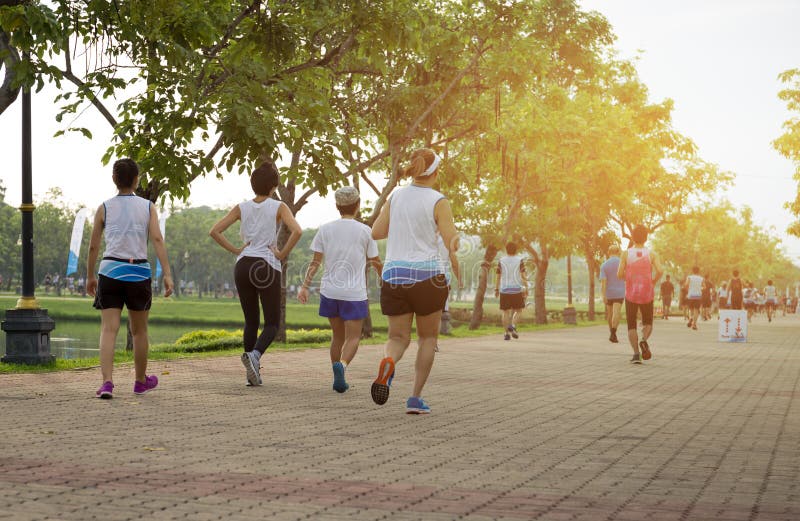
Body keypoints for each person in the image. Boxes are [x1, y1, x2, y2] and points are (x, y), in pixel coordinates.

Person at [370, 148, 458, 414]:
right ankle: (415, 398)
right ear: (436, 172)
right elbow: (451, 241)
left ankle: (388, 361)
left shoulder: (395, 196)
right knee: (428, 338)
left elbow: (376, 232)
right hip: (428, 276)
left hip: (394, 274)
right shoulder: (438, 200)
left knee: (397, 338)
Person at [87, 158, 174, 399]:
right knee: (139, 331)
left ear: (114, 179)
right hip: (138, 273)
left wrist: (89, 276)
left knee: (109, 329)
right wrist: (167, 273)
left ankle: (106, 383)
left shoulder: (104, 207)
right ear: (137, 180)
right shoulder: (148, 207)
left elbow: (94, 245)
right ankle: (139, 381)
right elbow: (157, 239)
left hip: (110, 271)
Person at [210, 161, 302, 386]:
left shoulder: (242, 207)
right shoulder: (278, 206)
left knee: (251, 322)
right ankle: (255, 356)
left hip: (243, 265)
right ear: (274, 187)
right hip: (266, 265)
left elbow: (214, 231)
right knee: (272, 323)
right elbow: (297, 230)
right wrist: (280, 255)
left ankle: (252, 374)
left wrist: (237, 250)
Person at [297, 186, 382, 393]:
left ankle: (338, 378)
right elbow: (376, 261)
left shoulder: (325, 229)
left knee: (337, 336)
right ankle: (342, 367)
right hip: (354, 294)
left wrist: (305, 286)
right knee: (354, 337)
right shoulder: (365, 231)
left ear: (337, 206)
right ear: (358, 205)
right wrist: (385, 281)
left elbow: (315, 262)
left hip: (330, 291)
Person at [617, 225, 663, 364]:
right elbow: (660, 271)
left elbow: (619, 274)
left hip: (631, 293)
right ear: (646, 237)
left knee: (631, 325)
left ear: (633, 237)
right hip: (647, 293)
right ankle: (643, 340)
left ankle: (636, 354)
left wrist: (630, 279)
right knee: (648, 322)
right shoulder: (652, 254)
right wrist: (653, 281)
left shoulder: (626, 253)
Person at [494, 242, 528, 341]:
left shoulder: (501, 260)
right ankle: (513, 325)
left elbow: (498, 276)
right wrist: (526, 288)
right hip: (516, 289)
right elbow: (523, 275)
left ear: (506, 249)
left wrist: (496, 289)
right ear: (516, 250)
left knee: (505, 312)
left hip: (504, 290)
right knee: (518, 310)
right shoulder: (519, 260)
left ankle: (506, 334)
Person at [599, 244, 625, 342]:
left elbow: (603, 282)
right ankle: (614, 333)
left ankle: (612, 333)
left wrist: (603, 295)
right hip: (620, 292)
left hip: (609, 293)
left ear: (609, 252)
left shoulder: (604, 265)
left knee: (610, 314)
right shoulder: (622, 264)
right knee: (616, 312)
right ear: (618, 252)